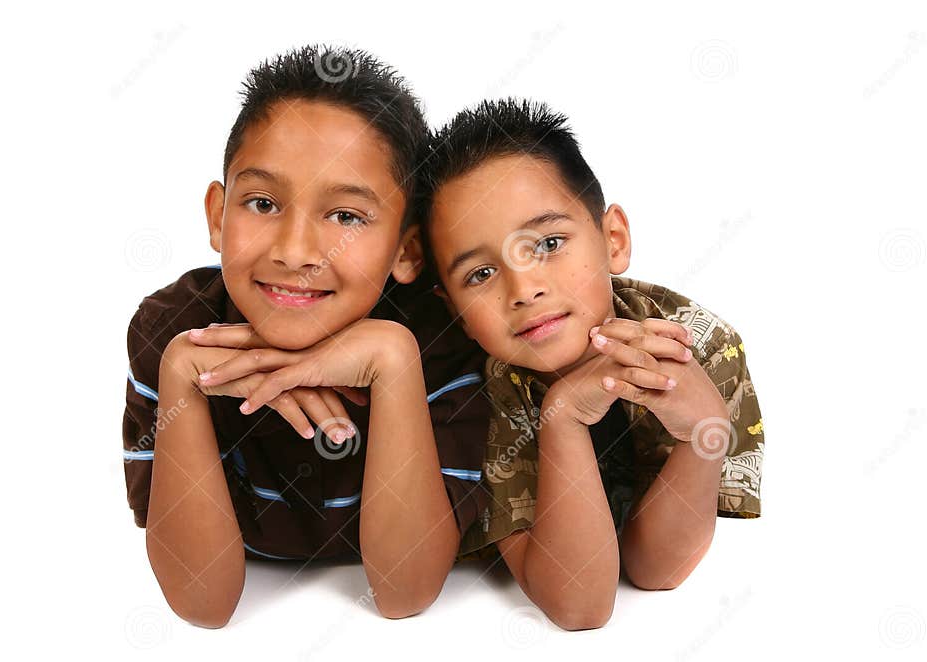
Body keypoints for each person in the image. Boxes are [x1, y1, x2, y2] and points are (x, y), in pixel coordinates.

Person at [122, 45, 491, 628]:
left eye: (346, 216)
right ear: (219, 216)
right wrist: (183, 384)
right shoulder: (174, 332)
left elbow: (403, 592)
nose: (294, 252)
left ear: (407, 249)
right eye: (263, 203)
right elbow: (202, 606)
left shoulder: (444, 341)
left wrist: (393, 363)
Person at [417, 98, 765, 630]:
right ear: (455, 311)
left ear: (613, 241)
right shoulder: (470, 395)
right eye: (481, 275)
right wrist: (563, 418)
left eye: (549, 243)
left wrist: (703, 437)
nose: (525, 288)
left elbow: (654, 571)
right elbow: (579, 606)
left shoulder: (699, 348)